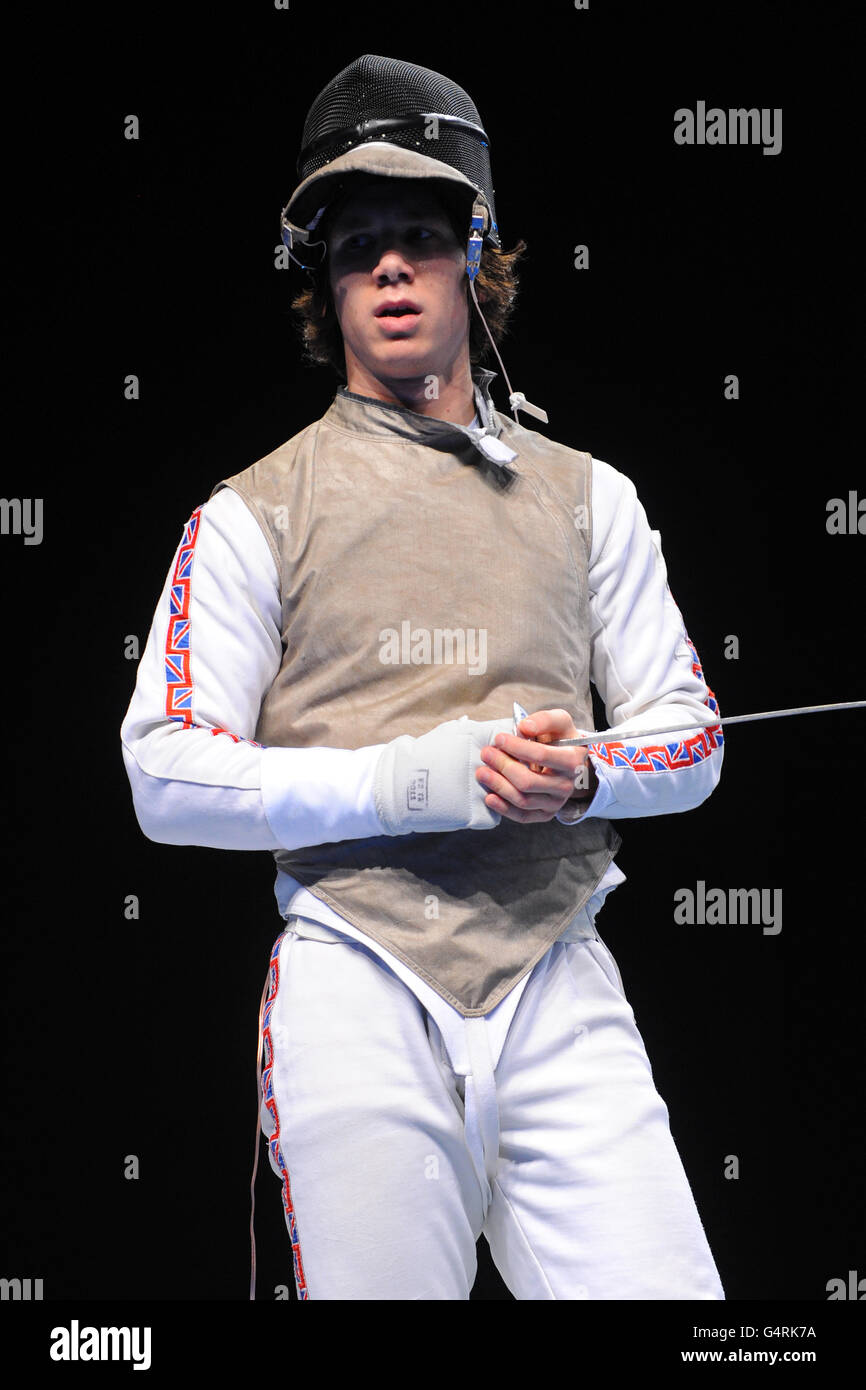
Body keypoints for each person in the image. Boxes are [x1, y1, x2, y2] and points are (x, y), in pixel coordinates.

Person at [120, 54, 726, 1301]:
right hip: (358, 975)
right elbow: (164, 775)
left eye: (420, 235)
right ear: (325, 282)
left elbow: (692, 740)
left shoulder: (588, 496)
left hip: (556, 969)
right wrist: (415, 780)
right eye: (356, 245)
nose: (389, 267)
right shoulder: (251, 514)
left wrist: (581, 774)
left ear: (479, 257)